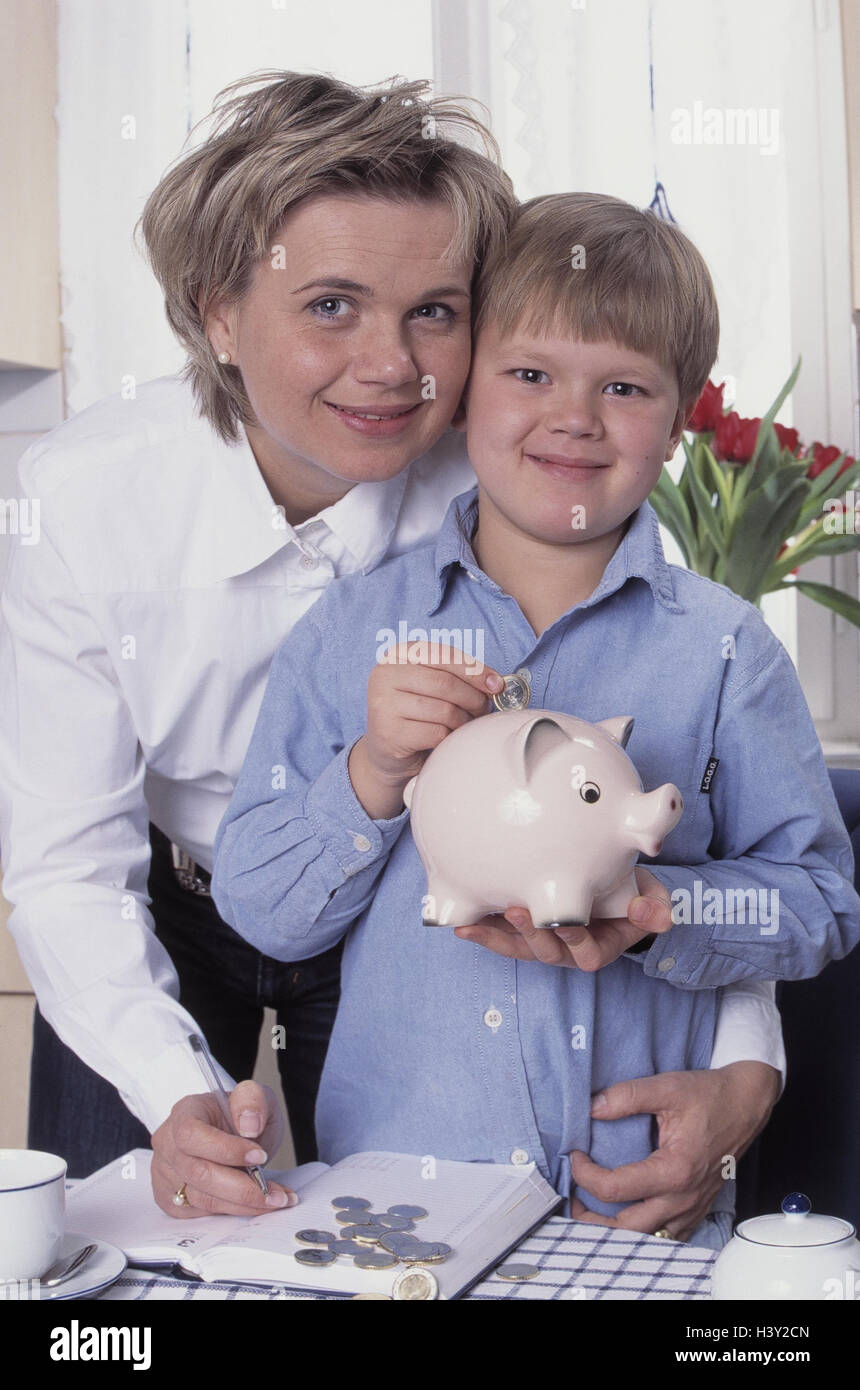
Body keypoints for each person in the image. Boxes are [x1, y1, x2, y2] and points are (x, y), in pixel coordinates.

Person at [0, 72, 781, 1228]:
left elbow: (673, 788)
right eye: (329, 305)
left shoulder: (521, 472)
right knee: (102, 1242)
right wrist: (173, 1094)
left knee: (415, 1243)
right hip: (166, 907)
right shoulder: (79, 502)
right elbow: (65, 865)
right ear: (218, 310)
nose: (391, 365)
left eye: (434, 309)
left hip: (413, 911)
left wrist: (744, 1070)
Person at [212, 191, 860, 1249]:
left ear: (679, 415)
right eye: (528, 375)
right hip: (399, 1207)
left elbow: (817, 904)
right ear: (462, 390)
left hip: (636, 1202)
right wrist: (375, 769)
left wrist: (660, 908)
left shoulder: (724, 650)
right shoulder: (351, 630)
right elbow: (262, 910)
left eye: (622, 385)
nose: (574, 416)